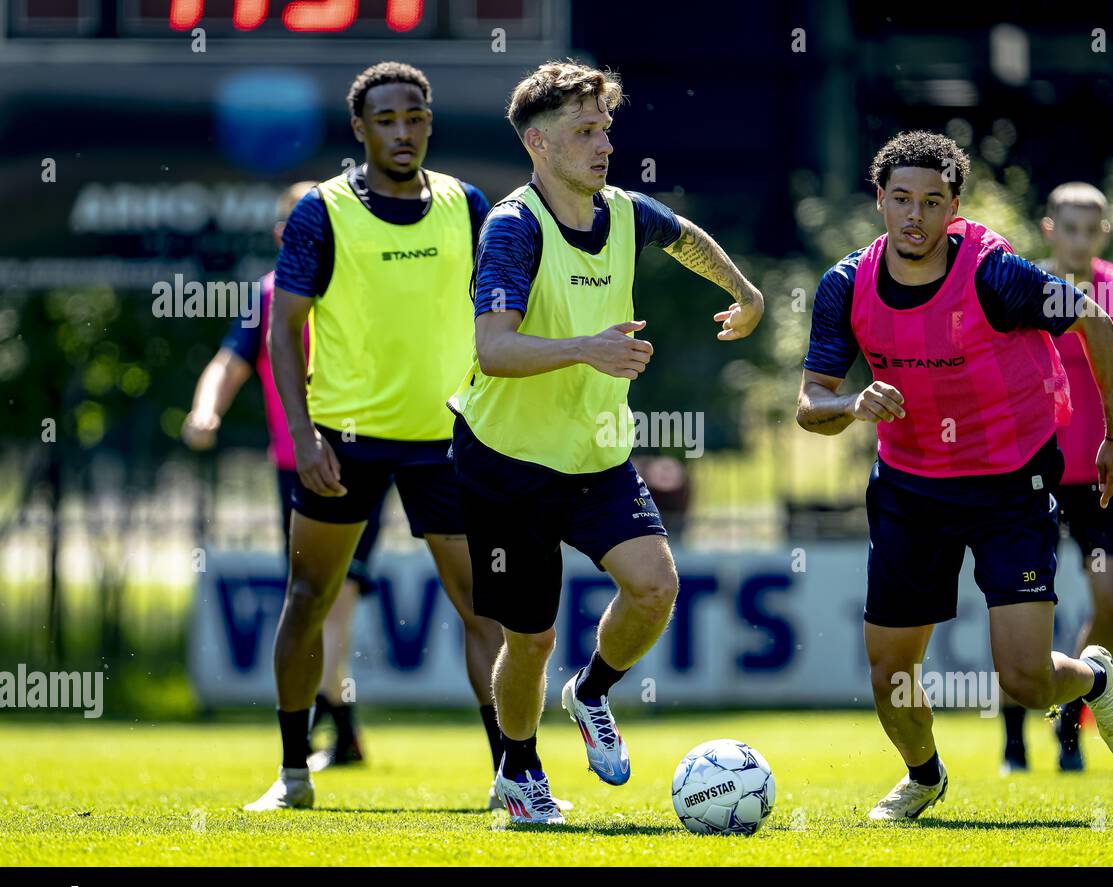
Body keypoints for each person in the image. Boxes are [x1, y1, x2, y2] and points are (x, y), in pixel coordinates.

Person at [449, 60, 764, 824]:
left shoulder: (623, 211)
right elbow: (494, 349)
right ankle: (519, 776)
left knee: (655, 586)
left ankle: (589, 693)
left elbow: (685, 238)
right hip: (506, 461)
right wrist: (588, 347)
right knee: (529, 638)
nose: (603, 145)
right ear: (538, 143)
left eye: (606, 129)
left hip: (595, 452)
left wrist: (745, 292)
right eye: (583, 131)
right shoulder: (512, 227)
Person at [795, 131, 1113, 821]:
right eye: (900, 200)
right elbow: (811, 404)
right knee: (891, 674)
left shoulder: (996, 275)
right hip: (908, 485)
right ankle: (924, 777)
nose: (914, 216)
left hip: (1010, 483)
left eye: (931, 202)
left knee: (1025, 677)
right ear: (879, 203)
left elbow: (1097, 324)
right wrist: (851, 404)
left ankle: (1095, 677)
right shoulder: (845, 285)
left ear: (954, 206)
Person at [243, 61, 525, 812]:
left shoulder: (467, 205)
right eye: (386, 119)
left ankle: (512, 777)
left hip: (447, 442)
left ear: (429, 121)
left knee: (482, 609)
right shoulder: (324, 213)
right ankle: (294, 771)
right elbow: (283, 329)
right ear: (360, 129)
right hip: (346, 442)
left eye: (415, 116)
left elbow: (502, 310)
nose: (403, 131)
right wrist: (304, 437)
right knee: (308, 596)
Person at [183, 180, 379, 769]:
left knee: (333, 599)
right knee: (313, 600)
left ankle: (330, 728)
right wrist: (204, 410)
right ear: (282, 235)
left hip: (361, 460)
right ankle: (341, 729)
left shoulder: (367, 290)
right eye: (302, 222)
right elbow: (229, 361)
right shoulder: (270, 296)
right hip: (295, 469)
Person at [999, 182, 1113, 773]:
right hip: (1035, 470)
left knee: (1112, 599)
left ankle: (1073, 713)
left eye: (1090, 228)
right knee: (1020, 610)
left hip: (1107, 467)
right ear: (1050, 230)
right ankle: (1014, 740)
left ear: (1104, 232)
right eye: (1068, 227)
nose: (1079, 237)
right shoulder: (1021, 285)